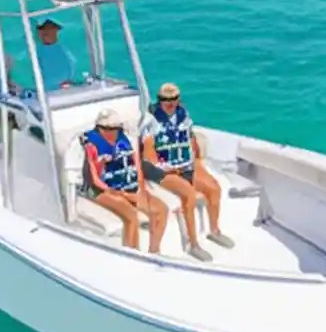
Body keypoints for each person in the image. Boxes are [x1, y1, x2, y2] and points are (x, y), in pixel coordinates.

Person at [140, 82, 233, 262]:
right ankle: (193, 244)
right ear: (159, 101)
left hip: (184, 163)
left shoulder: (183, 116)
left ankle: (214, 231)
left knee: (214, 188)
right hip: (161, 169)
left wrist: (197, 162)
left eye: (173, 99)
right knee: (188, 194)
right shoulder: (151, 122)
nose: (170, 103)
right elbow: (149, 155)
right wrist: (170, 168)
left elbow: (191, 139)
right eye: (165, 100)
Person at [81, 109, 167, 253]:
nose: (113, 132)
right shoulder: (93, 146)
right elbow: (94, 178)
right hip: (102, 190)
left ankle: (154, 251)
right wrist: (119, 194)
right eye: (108, 129)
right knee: (131, 216)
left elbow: (137, 166)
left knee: (161, 210)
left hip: (128, 186)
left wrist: (140, 188)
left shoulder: (125, 139)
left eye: (115, 129)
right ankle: (132, 254)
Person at [33, 19, 77, 91]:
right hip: (45, 91)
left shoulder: (65, 49)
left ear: (56, 31)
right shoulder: (36, 51)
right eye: (42, 30)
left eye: (49, 29)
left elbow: (73, 66)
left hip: (64, 89)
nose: (45, 32)